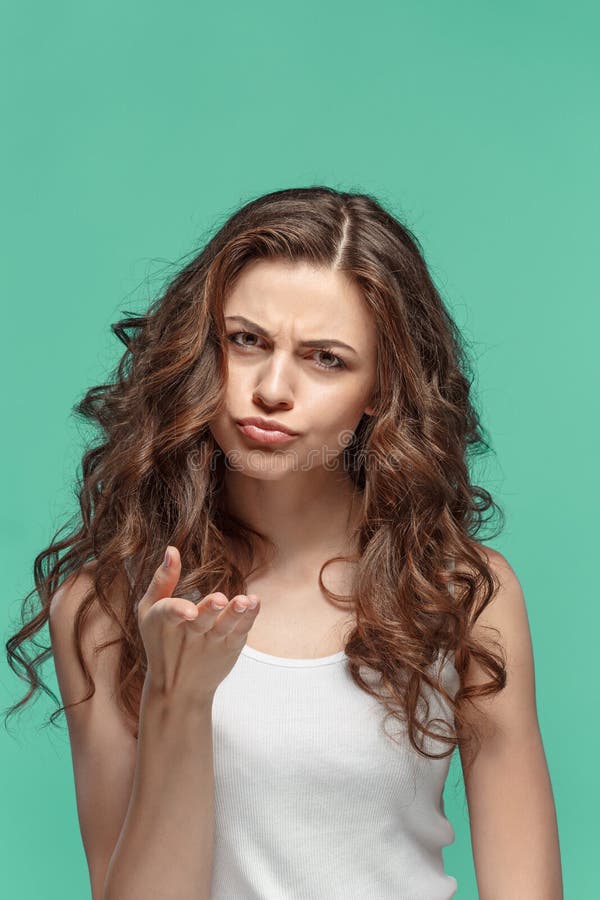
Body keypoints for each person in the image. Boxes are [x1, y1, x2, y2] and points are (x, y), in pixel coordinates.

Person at [4, 186, 563, 899]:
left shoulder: (459, 591)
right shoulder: (108, 606)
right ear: (201, 349)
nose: (272, 388)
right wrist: (178, 700)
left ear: (380, 392)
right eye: (246, 341)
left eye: (325, 358)